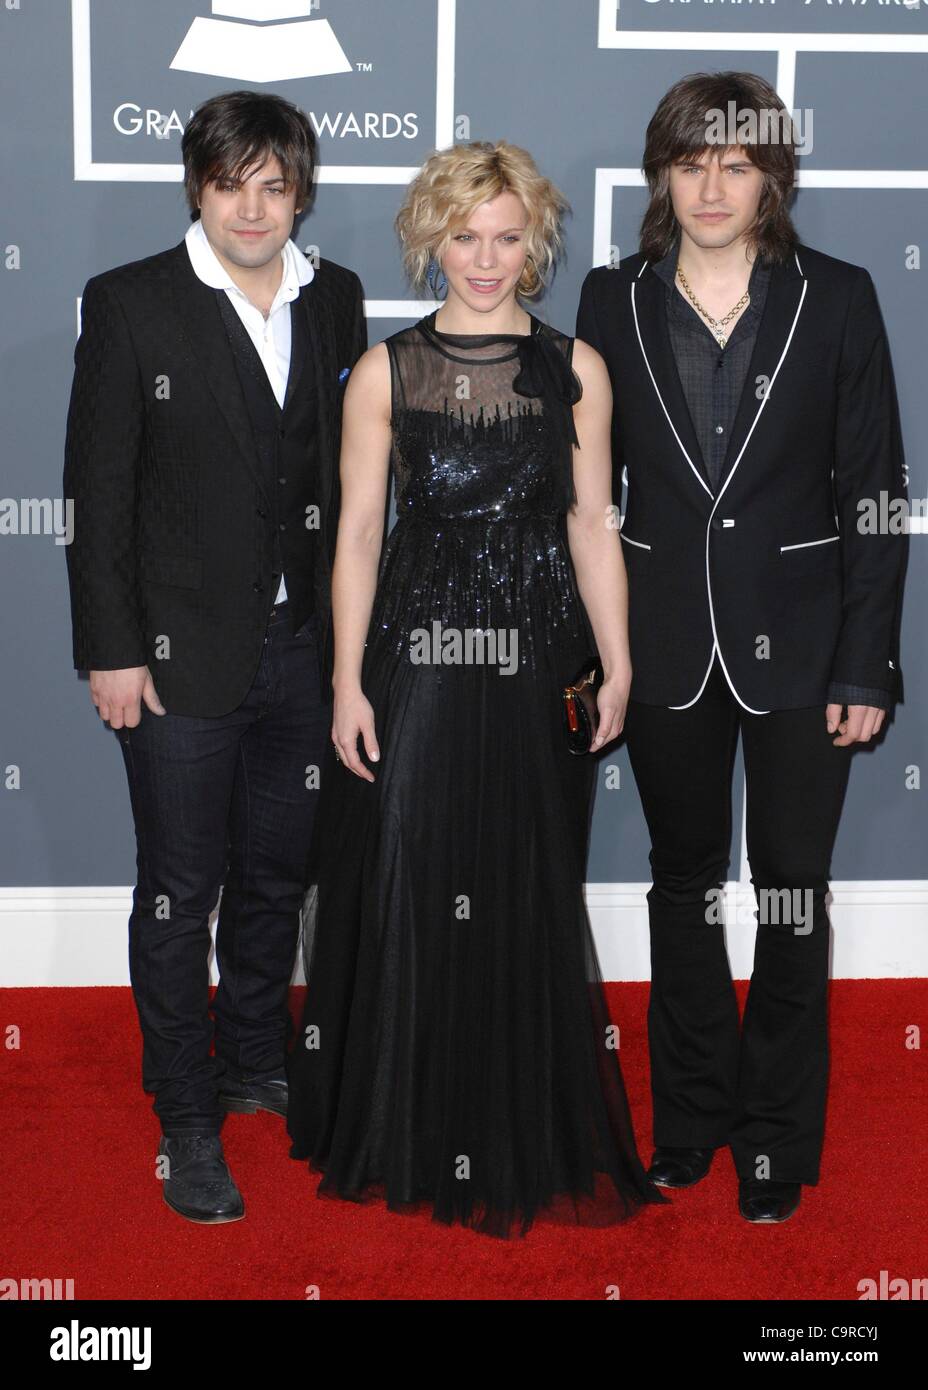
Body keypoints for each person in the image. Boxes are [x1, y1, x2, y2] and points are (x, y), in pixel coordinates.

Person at [286, 140, 668, 1237]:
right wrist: (347, 680)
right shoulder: (385, 370)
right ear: (430, 239)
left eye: (507, 238)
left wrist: (619, 658)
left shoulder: (573, 367)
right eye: (466, 236)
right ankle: (411, 1118)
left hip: (538, 640)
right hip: (417, 645)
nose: (486, 259)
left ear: (534, 243)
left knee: (524, 875)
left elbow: (591, 525)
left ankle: (513, 1125)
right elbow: (357, 534)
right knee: (414, 869)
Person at [577, 71, 907, 1223]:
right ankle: (690, 1121)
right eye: (688, 161)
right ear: (661, 174)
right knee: (681, 889)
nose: (710, 184)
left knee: (791, 897)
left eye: (734, 160)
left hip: (809, 651)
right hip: (664, 647)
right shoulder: (610, 301)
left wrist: (868, 664)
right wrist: (597, 654)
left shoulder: (841, 297)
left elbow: (873, 490)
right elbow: (584, 495)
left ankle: (774, 1138)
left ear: (772, 175)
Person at [63, 90, 366, 1224]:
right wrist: (110, 650)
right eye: (231, 183)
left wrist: (351, 647)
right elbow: (98, 494)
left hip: (301, 652)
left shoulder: (331, 297)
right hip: (172, 659)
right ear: (197, 186)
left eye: (274, 185)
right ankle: (185, 1116)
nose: (252, 207)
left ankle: (254, 1061)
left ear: (300, 192)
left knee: (276, 880)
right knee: (178, 892)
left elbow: (343, 479)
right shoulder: (132, 302)